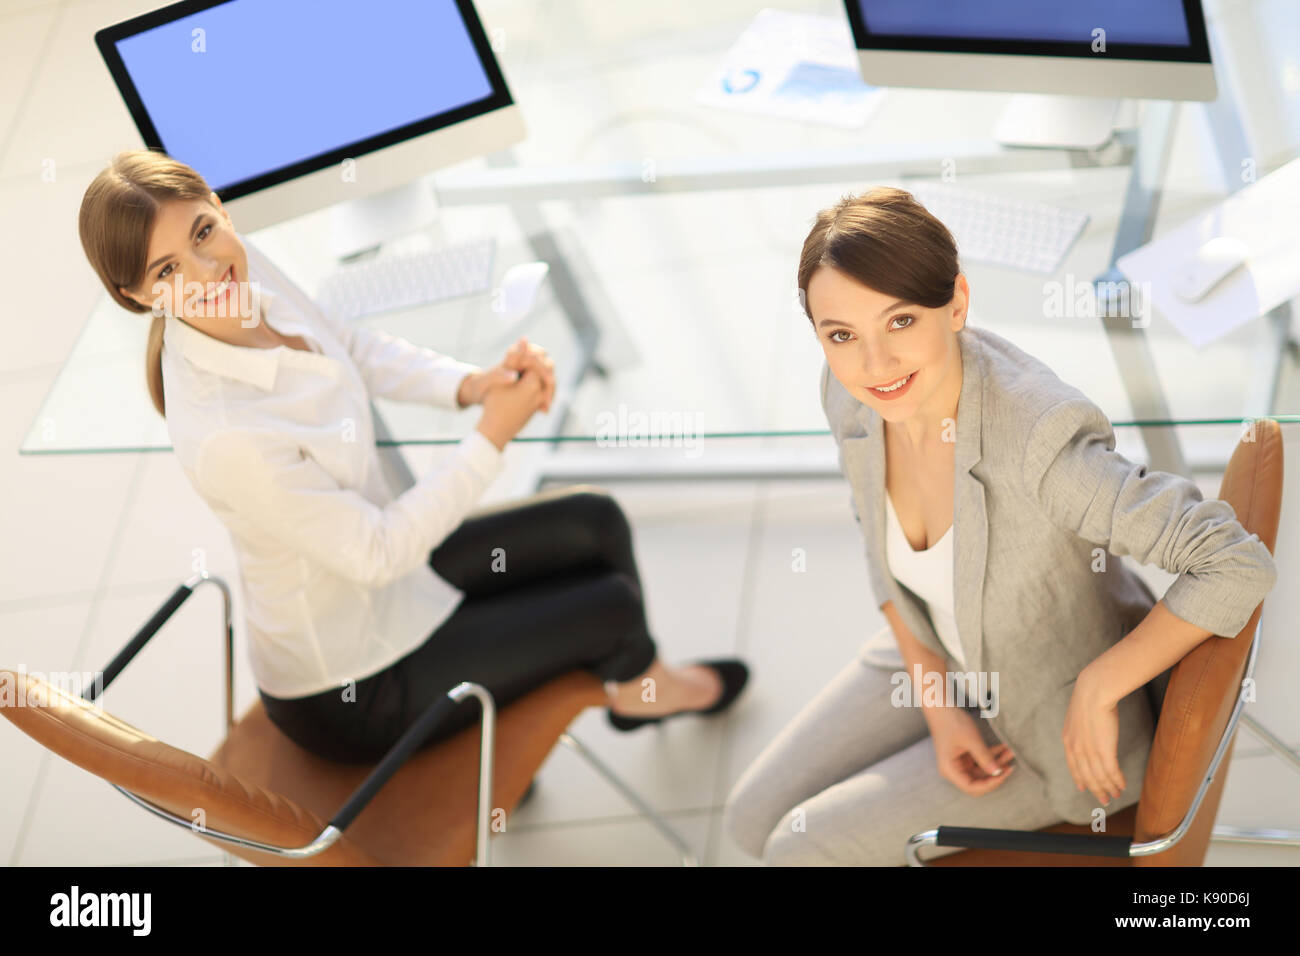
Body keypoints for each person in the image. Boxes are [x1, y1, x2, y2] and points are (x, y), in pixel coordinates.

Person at [77, 148, 749, 768]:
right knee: (608, 607)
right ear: (136, 297)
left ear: (218, 208)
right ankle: (641, 686)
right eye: (167, 271)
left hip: (398, 582)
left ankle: (633, 685)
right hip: (355, 686)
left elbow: (346, 344)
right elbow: (377, 551)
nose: (205, 271)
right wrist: (491, 436)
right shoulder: (225, 437)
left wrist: (469, 385)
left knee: (596, 522)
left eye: (201, 233)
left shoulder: (238, 261)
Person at [723, 187, 1278, 865]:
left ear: (956, 303)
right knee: (747, 821)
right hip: (938, 647)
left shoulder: (1037, 444)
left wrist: (1099, 686)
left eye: (900, 322)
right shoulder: (848, 392)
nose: (873, 364)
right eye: (841, 334)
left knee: (794, 850)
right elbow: (875, 532)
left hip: (1046, 722)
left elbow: (1234, 563)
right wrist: (934, 697)